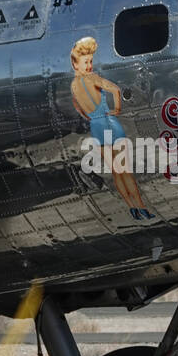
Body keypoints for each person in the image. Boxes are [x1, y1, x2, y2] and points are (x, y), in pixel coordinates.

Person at [70, 36, 154, 220]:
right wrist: (116, 109)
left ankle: (132, 208)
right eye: (86, 62)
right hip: (109, 123)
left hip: (96, 127)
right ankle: (141, 207)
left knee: (117, 173)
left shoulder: (74, 85)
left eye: (90, 61)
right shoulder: (92, 78)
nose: (89, 65)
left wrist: (90, 117)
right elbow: (115, 89)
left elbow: (77, 107)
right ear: (76, 64)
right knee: (126, 172)